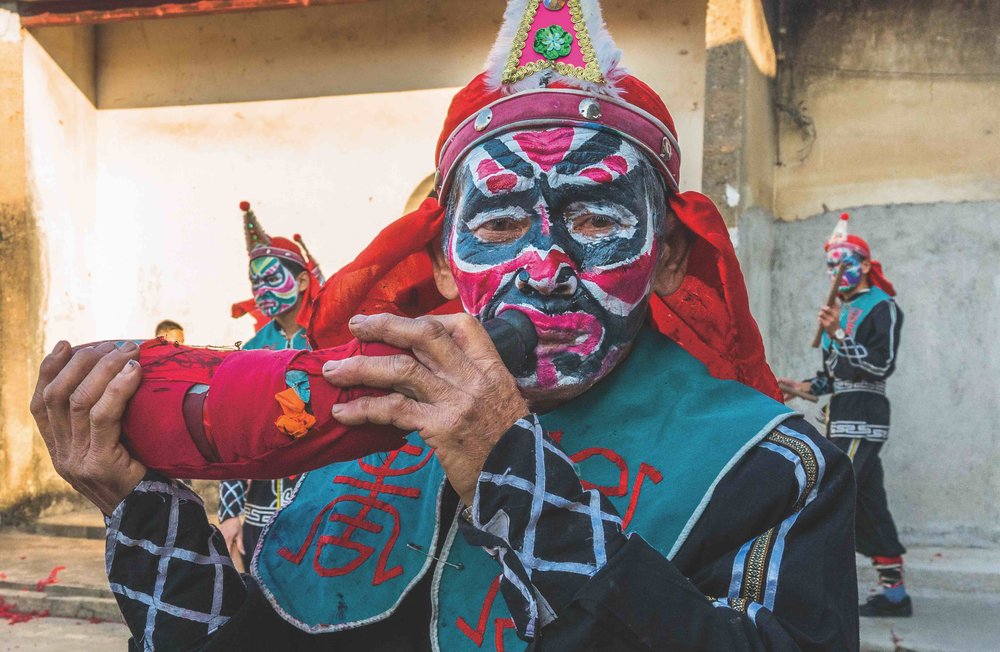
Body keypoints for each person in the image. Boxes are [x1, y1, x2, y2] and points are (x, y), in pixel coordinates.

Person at [29, 2, 859, 650]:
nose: (544, 266)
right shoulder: (365, 426)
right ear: (439, 263)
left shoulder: (771, 465)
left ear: (671, 257)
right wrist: (143, 514)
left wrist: (510, 472)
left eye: (597, 219)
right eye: (498, 226)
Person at [779, 213, 908, 618]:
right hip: (840, 414)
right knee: (869, 504)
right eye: (831, 267)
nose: (837, 273)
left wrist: (837, 333)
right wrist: (798, 389)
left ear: (866, 266)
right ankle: (894, 596)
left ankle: (816, 594)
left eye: (846, 264)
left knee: (826, 494)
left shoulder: (883, 307)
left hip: (864, 417)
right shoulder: (842, 310)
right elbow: (833, 378)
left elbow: (879, 366)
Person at [218, 202, 324, 570]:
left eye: (271, 278)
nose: (262, 289)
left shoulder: (330, 342)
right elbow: (233, 435)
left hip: (326, 503)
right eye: (255, 282)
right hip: (263, 506)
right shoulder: (251, 351)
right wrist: (230, 512)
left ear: (303, 281)